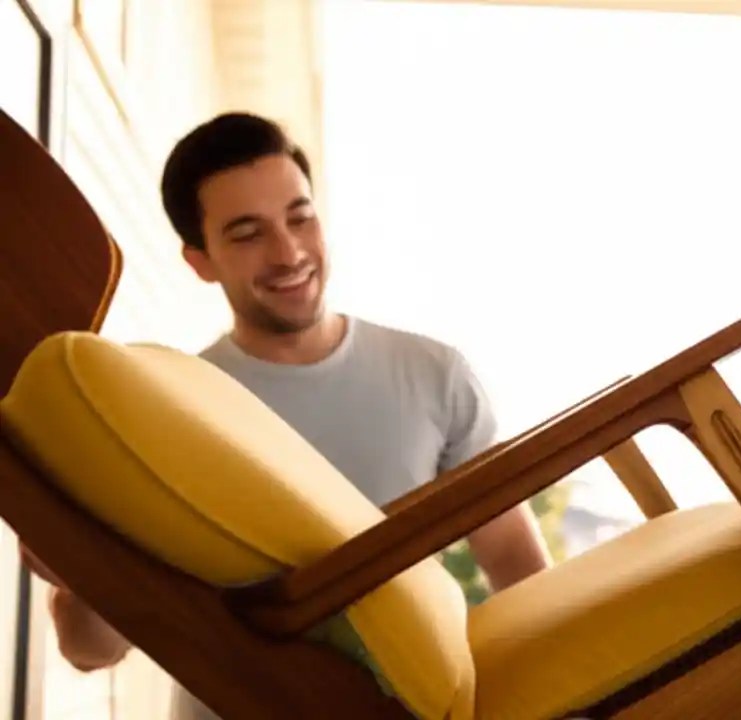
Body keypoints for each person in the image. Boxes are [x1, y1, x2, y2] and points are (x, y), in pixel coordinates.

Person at [22, 112, 553, 719]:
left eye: (300, 217)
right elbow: (88, 650)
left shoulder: (436, 374)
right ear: (200, 261)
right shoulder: (168, 411)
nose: (289, 252)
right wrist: (80, 562)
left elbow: (519, 567)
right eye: (247, 234)